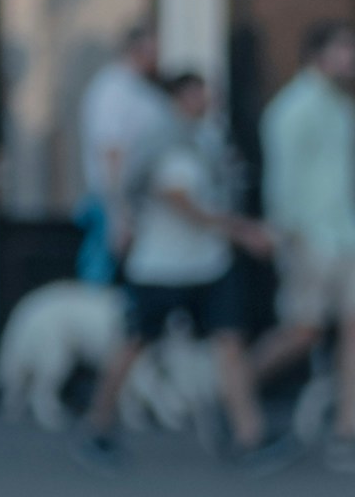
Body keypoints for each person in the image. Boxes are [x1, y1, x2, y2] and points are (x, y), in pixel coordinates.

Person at [81, 66, 275, 463]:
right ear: (178, 98)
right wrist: (241, 232)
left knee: (230, 342)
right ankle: (97, 424)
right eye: (198, 95)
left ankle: (248, 435)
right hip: (161, 266)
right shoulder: (165, 142)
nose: (206, 103)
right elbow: (181, 201)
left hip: (208, 264)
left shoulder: (205, 139)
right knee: (133, 344)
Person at [253, 15, 355, 468]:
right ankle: (235, 385)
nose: (351, 57)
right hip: (311, 235)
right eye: (343, 48)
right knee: (303, 331)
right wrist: (288, 231)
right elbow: (282, 177)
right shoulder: (293, 108)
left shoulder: (345, 109)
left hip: (350, 233)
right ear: (318, 53)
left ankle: (351, 427)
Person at [74, 13, 169, 289]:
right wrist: (119, 213)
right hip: (114, 204)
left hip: (137, 204)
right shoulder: (113, 90)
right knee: (102, 283)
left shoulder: (140, 90)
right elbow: (111, 151)